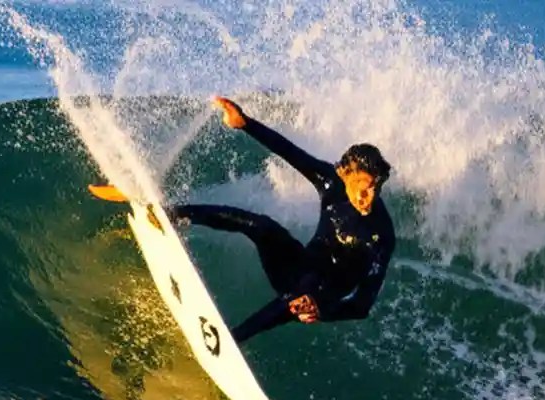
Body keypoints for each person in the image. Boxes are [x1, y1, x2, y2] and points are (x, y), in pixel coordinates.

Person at [92, 96, 396, 344]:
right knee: (260, 225)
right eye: (363, 186)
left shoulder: (380, 235)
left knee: (306, 287)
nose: (368, 196)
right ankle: (172, 214)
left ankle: (231, 341)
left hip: (318, 294)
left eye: (375, 187)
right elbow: (289, 151)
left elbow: (362, 306)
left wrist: (323, 311)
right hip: (296, 266)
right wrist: (245, 123)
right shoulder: (331, 182)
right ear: (344, 174)